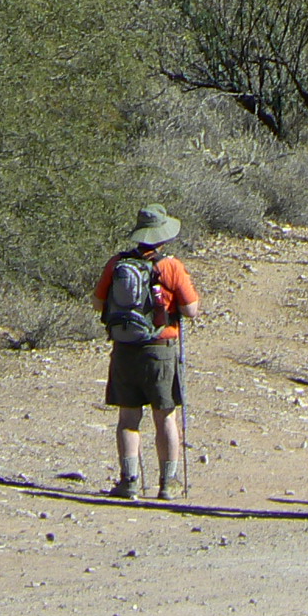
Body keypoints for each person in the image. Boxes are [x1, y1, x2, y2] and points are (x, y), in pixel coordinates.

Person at [93, 204, 201, 500]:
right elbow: (191, 310)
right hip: (160, 350)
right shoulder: (170, 266)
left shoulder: (117, 263)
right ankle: (168, 483)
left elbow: (98, 303)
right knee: (165, 417)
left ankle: (128, 481)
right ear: (163, 235)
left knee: (128, 418)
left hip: (125, 349)